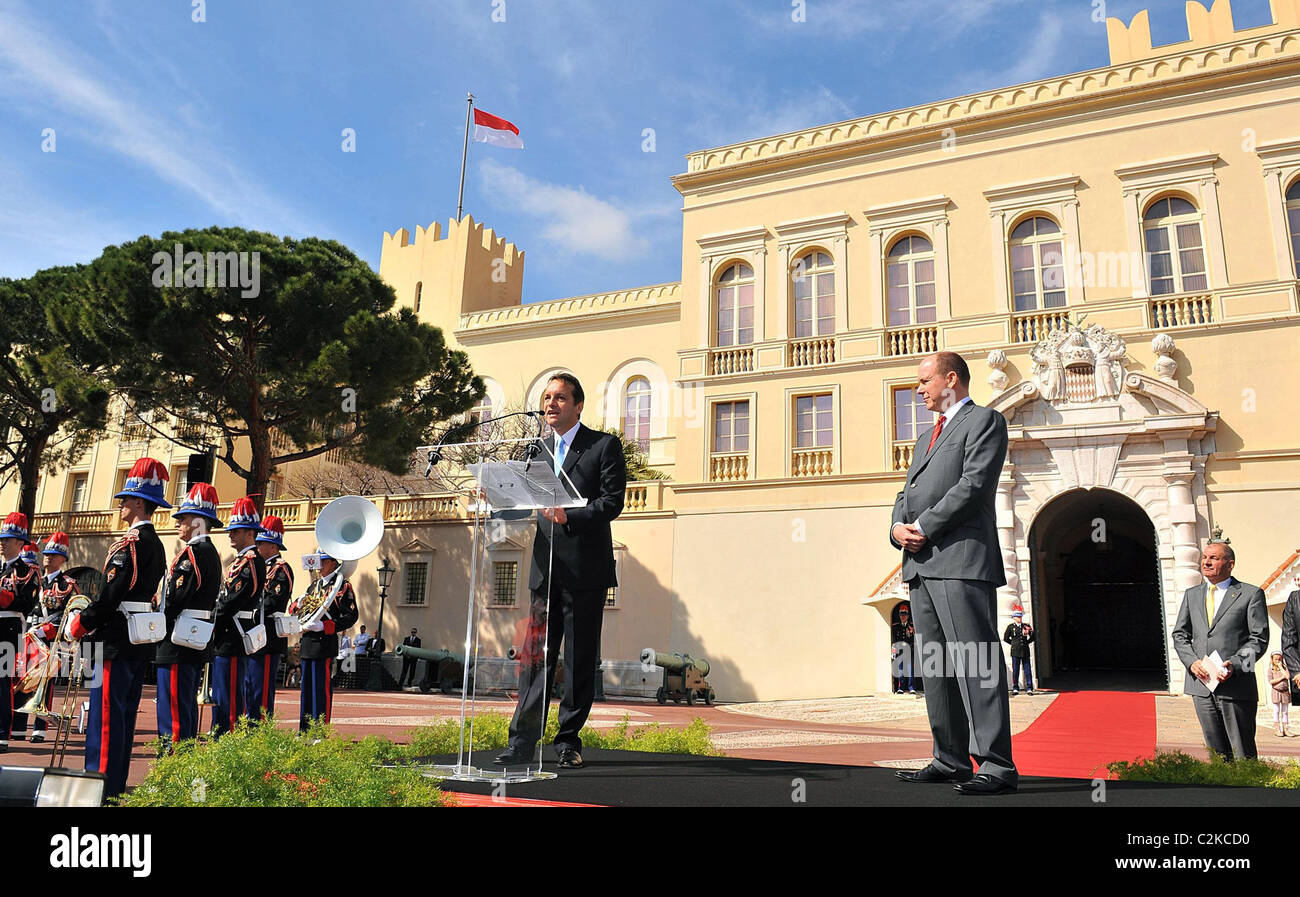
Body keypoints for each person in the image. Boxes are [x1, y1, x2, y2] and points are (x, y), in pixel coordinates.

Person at [889, 352, 1017, 796]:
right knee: (937, 666)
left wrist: (923, 526)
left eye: (925, 380)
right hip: (922, 566)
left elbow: (973, 485)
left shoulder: (985, 421)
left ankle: (997, 765)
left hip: (961, 561)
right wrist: (897, 527)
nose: (919, 388)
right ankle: (950, 759)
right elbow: (906, 494)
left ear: (951, 379)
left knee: (976, 661)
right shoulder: (926, 437)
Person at [495, 372, 626, 770]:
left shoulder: (603, 446)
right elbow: (520, 500)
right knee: (535, 658)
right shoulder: (536, 449)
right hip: (544, 571)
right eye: (547, 397)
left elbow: (611, 503)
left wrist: (567, 516)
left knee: (579, 660)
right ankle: (522, 742)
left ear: (578, 405)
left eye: (560, 398)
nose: (550, 404)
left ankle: (568, 740)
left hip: (585, 571)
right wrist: (493, 497)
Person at [64, 458, 168, 799]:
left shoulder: (132, 542)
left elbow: (111, 594)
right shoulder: (156, 542)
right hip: (135, 638)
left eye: (125, 498)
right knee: (122, 718)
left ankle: (100, 792)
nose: (121, 504)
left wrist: (83, 621)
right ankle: (115, 788)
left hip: (115, 638)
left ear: (139, 502)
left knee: (106, 720)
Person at [1171, 540, 1268, 762]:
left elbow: (1259, 639)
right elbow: (1180, 635)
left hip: (1235, 686)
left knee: (1243, 753)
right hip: (1202, 686)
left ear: (1230, 564)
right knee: (1217, 755)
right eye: (1205, 557)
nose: (1206, 562)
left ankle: (1250, 792)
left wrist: (1234, 664)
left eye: (1214, 558)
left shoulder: (1250, 594)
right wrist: (1192, 662)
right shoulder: (1192, 594)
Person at [155, 483, 222, 750]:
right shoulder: (209, 553)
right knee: (184, 708)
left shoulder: (194, 553)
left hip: (178, 640)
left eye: (182, 519)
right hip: (192, 637)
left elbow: (175, 599)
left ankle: (172, 764)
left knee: (173, 709)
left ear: (197, 522)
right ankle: (182, 761)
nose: (178, 525)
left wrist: (157, 617)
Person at [210, 497, 265, 736]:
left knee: (230, 697)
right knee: (221, 693)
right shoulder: (241, 561)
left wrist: (211, 619)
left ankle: (228, 740)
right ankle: (220, 733)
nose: (231, 535)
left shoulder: (251, 562)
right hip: (226, 636)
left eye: (237, 531)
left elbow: (233, 601)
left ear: (250, 533)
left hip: (233, 635)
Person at [17, 532, 78, 743]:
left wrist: (49, 630)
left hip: (49, 640)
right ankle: (18, 726)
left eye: (53, 555)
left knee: (45, 683)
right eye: (47, 554)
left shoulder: (67, 584)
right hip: (28, 636)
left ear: (63, 559)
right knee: (22, 679)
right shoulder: (33, 579)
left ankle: (39, 728)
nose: (48, 558)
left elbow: (71, 613)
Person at [290, 548, 358, 730]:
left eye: (323, 561)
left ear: (333, 563)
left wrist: (325, 626)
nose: (319, 566)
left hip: (324, 642)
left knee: (320, 690)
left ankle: (320, 729)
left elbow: (351, 616)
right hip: (308, 643)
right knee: (306, 691)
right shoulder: (314, 586)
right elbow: (297, 606)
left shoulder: (342, 586)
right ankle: (305, 729)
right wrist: (298, 606)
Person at [246, 515, 293, 721]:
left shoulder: (280, 569)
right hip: (252, 632)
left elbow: (273, 600)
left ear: (273, 546)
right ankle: (249, 722)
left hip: (268, 635)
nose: (256, 546)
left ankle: (261, 729)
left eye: (261, 543)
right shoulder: (257, 566)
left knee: (261, 687)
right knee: (248, 684)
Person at [0, 513, 40, 752]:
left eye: (8, 539)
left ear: (20, 543)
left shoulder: (27, 571)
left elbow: (24, 604)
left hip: (8, 628)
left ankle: (3, 733)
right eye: (2, 538)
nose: (3, 543)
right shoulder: (2, 569)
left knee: (2, 682)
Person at [1004, 607, 1035, 696]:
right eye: (1017, 617)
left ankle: (1029, 687)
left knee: (1027, 670)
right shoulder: (1011, 627)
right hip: (1015, 651)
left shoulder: (1026, 626)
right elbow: (1006, 638)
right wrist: (1013, 644)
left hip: (1025, 650)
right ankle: (1015, 687)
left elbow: (1032, 637)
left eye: (1020, 617)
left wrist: (1027, 642)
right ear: (1014, 617)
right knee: (1016, 670)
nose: (1019, 618)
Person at [890, 606, 916, 695]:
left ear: (908, 616)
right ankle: (900, 688)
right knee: (900, 669)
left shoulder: (912, 626)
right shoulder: (896, 626)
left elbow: (915, 639)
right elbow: (894, 641)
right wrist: (893, 652)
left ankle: (911, 687)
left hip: (910, 651)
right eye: (901, 614)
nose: (903, 616)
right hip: (900, 652)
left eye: (905, 614)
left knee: (910, 670)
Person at [1268, 652, 1291, 737]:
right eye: (1276, 659)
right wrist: (1281, 678)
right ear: (1272, 660)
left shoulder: (1284, 668)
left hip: (1285, 692)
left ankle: (1286, 728)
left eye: (1279, 659)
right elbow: (1271, 681)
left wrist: (1281, 667)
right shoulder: (1271, 669)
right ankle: (1277, 728)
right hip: (1276, 691)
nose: (1278, 661)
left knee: (1285, 711)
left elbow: (1288, 676)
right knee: (1276, 710)